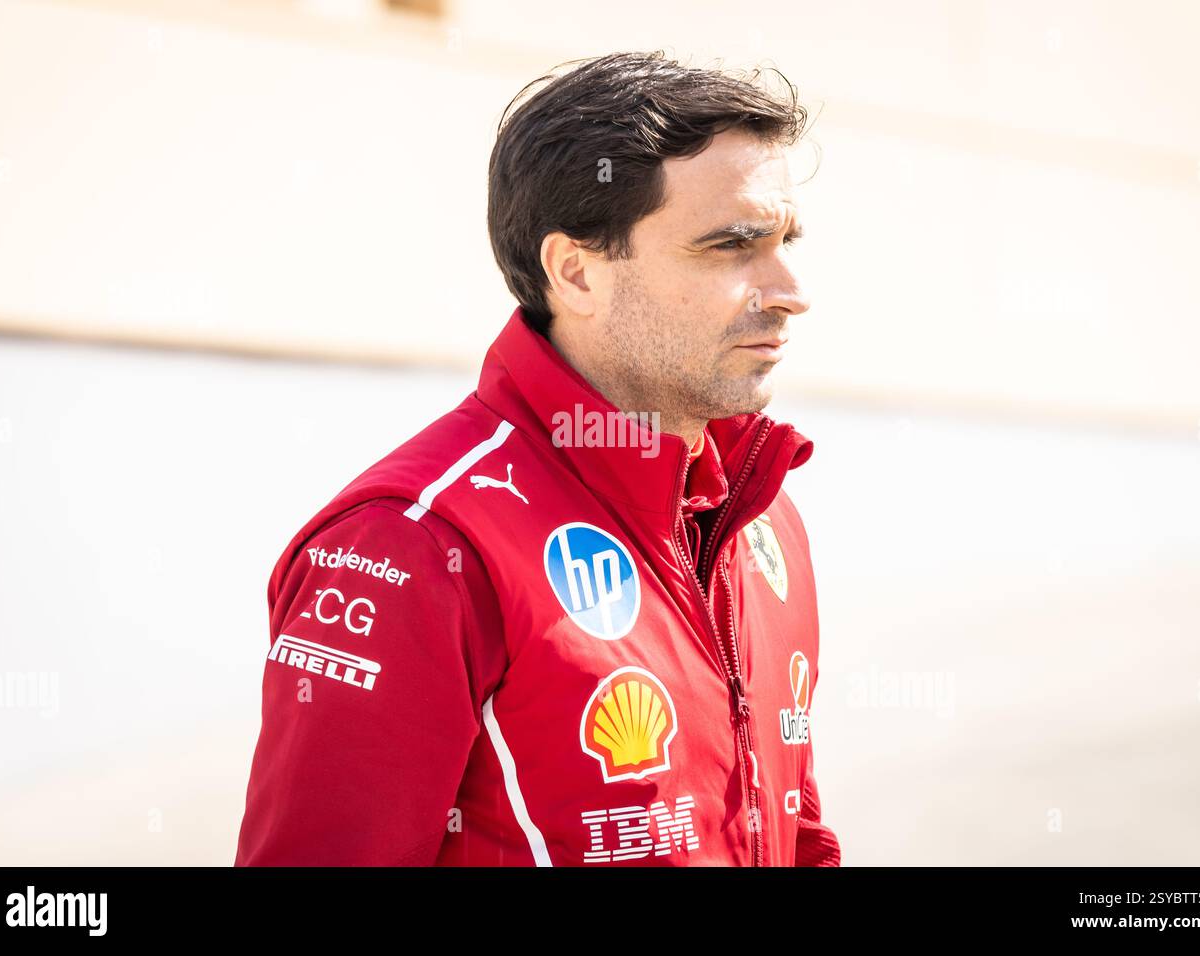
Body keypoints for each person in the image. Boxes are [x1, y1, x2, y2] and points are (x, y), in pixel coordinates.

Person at [235, 50, 840, 866]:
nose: (789, 286)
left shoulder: (758, 516)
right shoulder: (411, 546)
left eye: (785, 239)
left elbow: (795, 836)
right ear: (576, 272)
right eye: (731, 245)